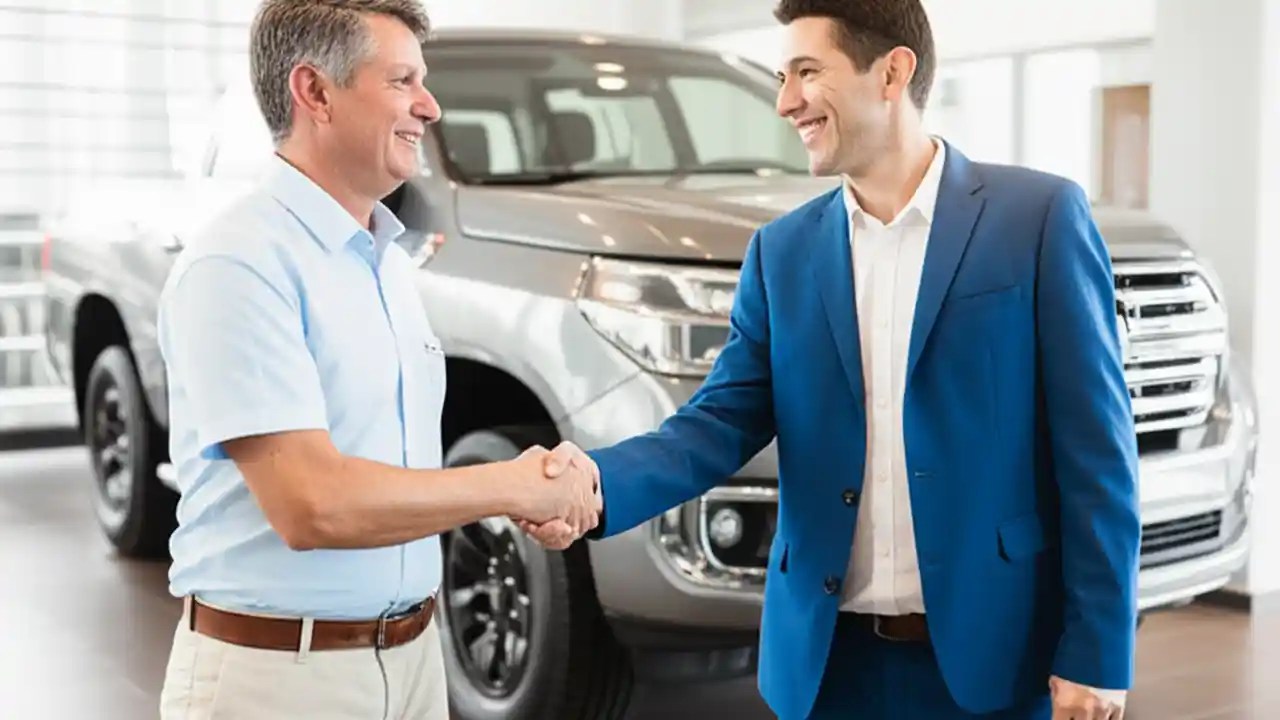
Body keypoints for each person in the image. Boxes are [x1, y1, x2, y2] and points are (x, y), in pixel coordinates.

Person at [522, 0, 1140, 718]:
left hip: (995, 662)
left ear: (892, 73)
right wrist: (598, 483)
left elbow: (1097, 453)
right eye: (783, 76)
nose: (785, 102)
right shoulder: (781, 253)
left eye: (808, 72)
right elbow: (718, 423)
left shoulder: (1036, 219)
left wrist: (1096, 650)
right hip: (827, 669)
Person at [154, 1, 599, 718]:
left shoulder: (384, 259)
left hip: (413, 659)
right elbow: (313, 505)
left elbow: (391, 472)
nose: (429, 105)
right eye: (401, 81)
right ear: (315, 93)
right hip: (278, 679)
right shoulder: (240, 263)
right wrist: (512, 486)